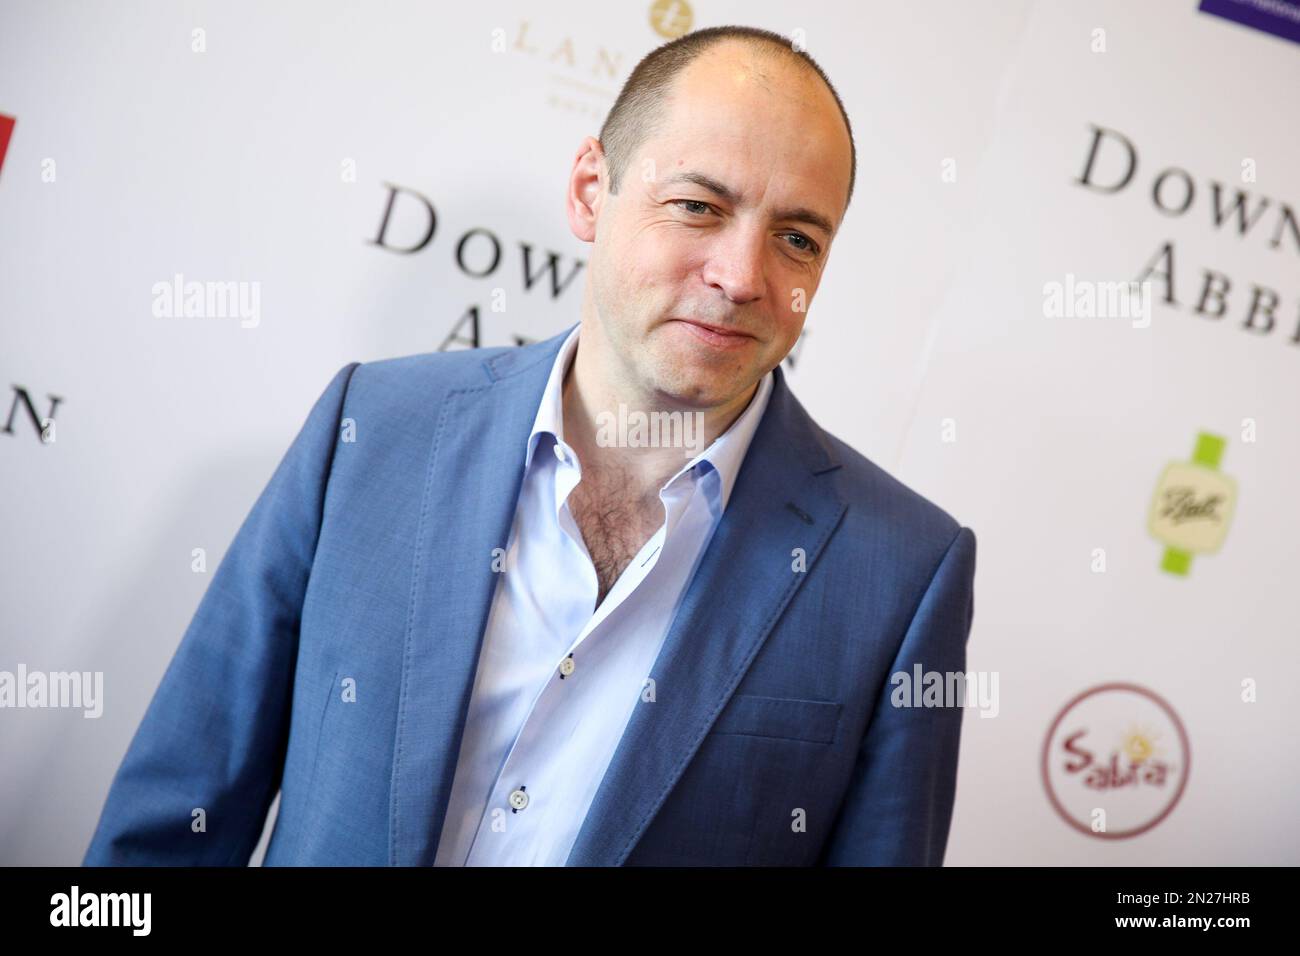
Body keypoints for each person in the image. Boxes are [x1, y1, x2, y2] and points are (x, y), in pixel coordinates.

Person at [83, 24, 976, 867]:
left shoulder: (900, 571)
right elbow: (176, 820)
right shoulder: (370, 430)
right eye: (699, 206)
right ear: (592, 191)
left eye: (796, 238)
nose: (743, 278)